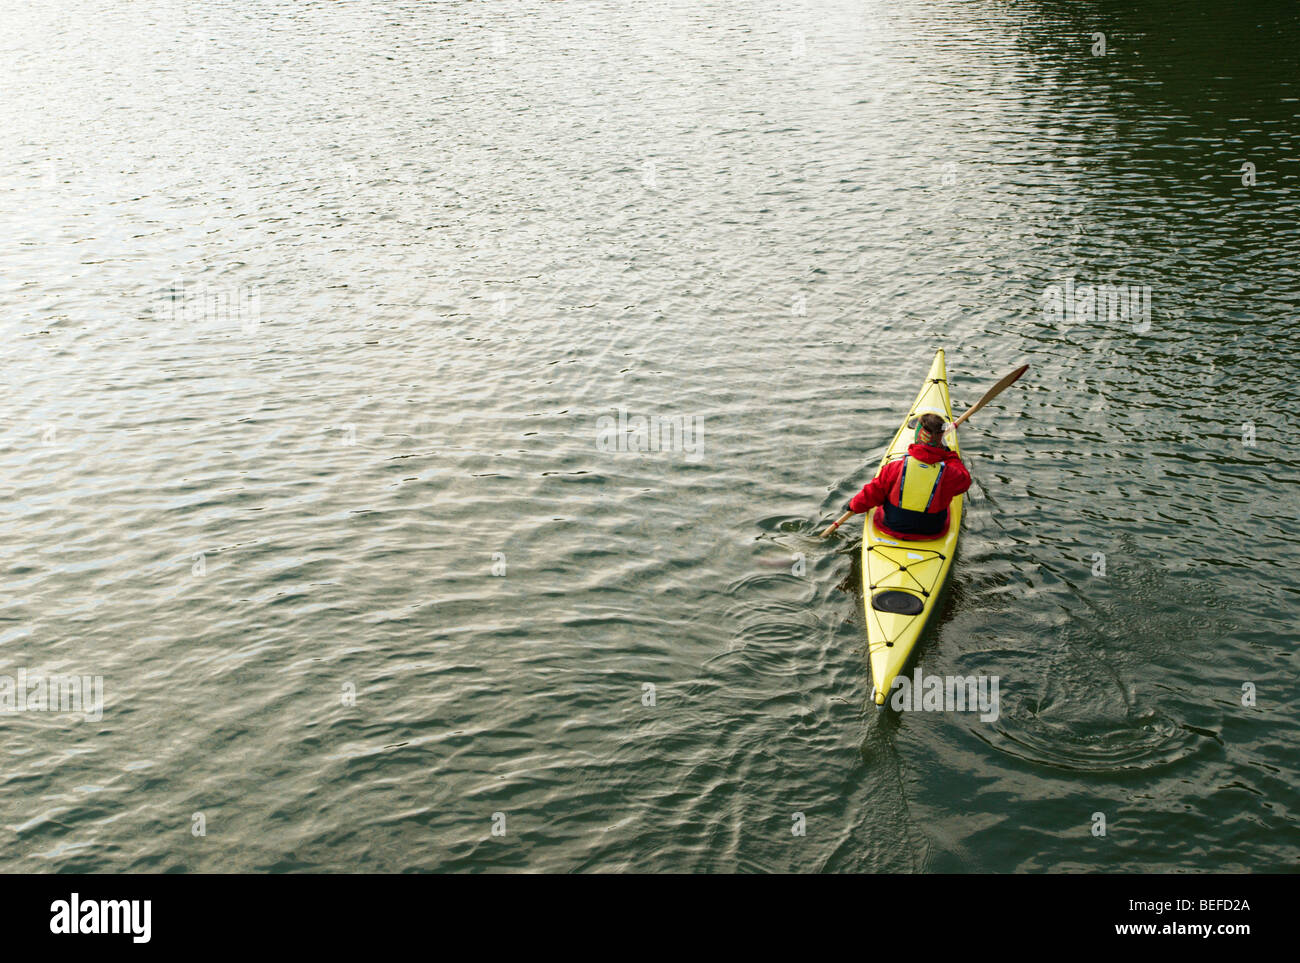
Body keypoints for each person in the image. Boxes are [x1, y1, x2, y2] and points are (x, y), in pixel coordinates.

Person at [842, 412, 971, 539]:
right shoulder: (949, 473)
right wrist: (950, 455)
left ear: (917, 435)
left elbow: (873, 492)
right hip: (931, 529)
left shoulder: (894, 466)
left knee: (886, 493)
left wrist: (854, 505)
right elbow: (965, 481)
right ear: (940, 440)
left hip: (893, 525)